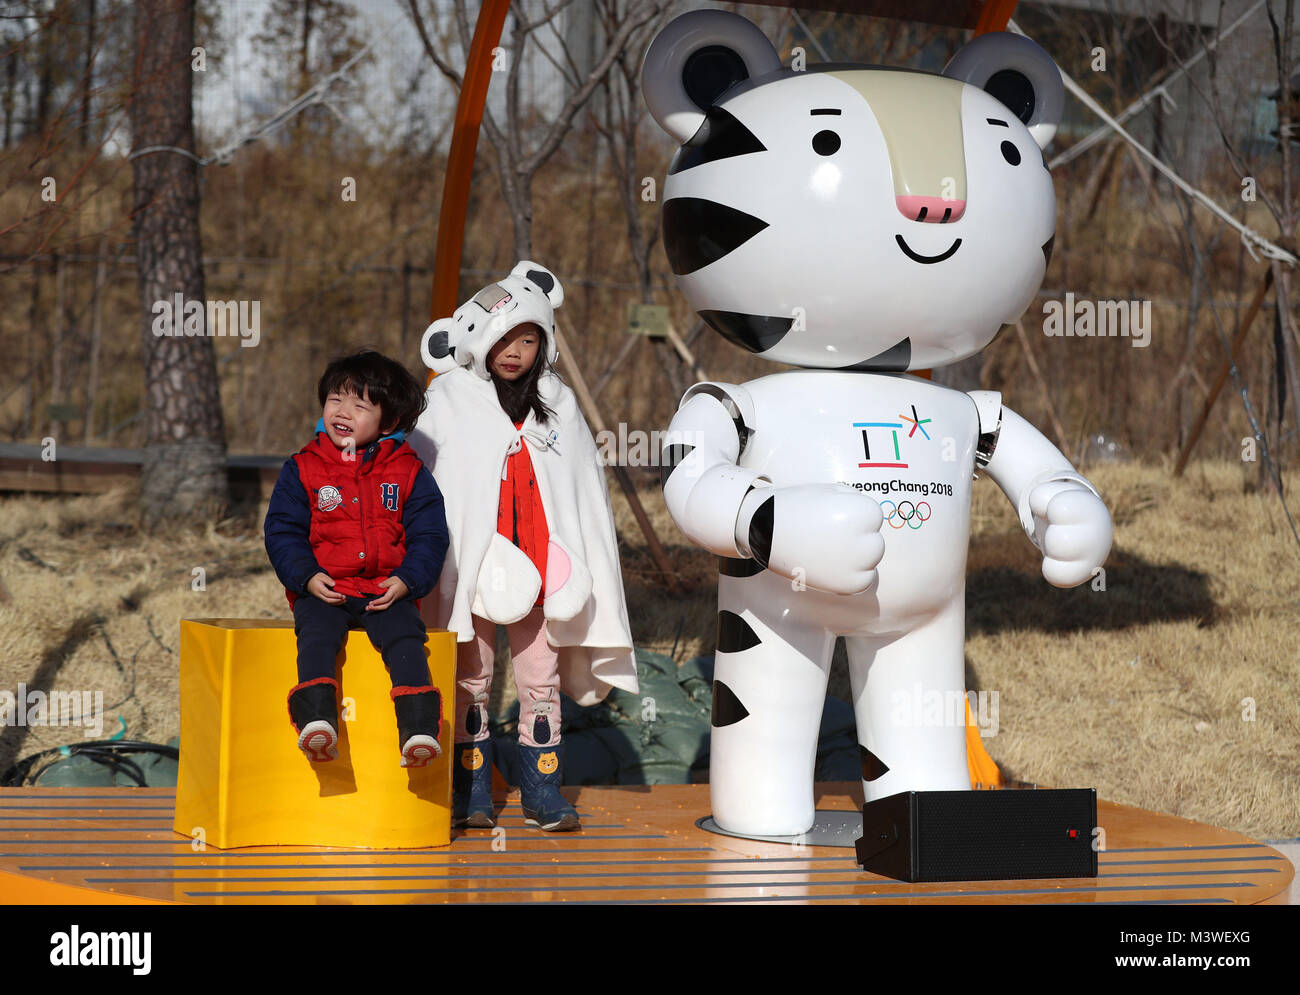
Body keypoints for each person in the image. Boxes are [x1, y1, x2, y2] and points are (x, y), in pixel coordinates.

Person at [410, 261, 638, 832]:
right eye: (505, 337)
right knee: (471, 674)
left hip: (545, 564)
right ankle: (471, 791)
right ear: (481, 340)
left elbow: (581, 488)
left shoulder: (557, 401)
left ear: (544, 343)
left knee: (542, 676)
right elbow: (433, 483)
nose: (515, 350)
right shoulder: (449, 399)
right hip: (473, 568)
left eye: (528, 338)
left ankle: (542, 792)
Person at [264, 349, 449, 768]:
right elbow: (282, 531)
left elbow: (430, 535)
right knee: (316, 638)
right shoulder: (303, 467)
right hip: (325, 588)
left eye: (360, 404)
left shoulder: (409, 472)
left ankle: (418, 730)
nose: (343, 411)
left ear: (389, 422)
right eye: (335, 399)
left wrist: (408, 580)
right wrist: (306, 576)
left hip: (385, 590)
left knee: (407, 641)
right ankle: (316, 723)